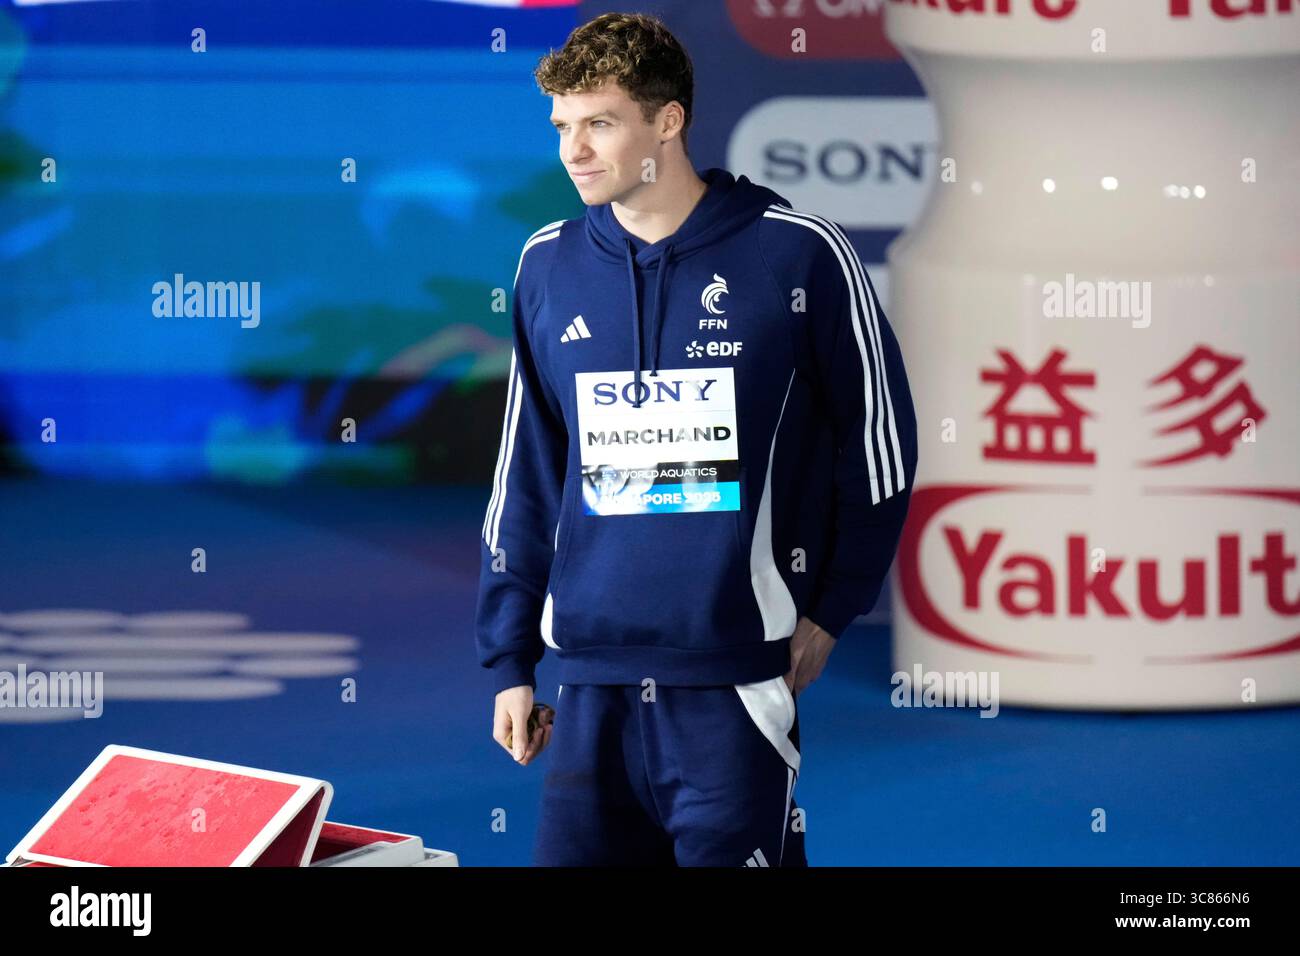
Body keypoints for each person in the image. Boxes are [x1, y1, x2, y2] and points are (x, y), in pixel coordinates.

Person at [476, 12, 917, 866]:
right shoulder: (547, 264)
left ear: (668, 122)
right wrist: (510, 660)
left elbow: (880, 448)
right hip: (589, 679)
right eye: (563, 127)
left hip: (735, 679)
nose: (574, 151)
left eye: (600, 123)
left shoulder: (797, 256)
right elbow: (526, 477)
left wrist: (832, 609)